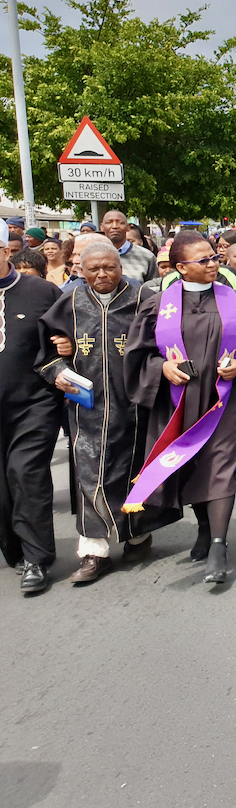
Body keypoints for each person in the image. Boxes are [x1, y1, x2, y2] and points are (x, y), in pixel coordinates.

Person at [123, 231, 236, 584]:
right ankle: (204, 529)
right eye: (203, 260)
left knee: (220, 465)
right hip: (179, 400)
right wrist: (163, 368)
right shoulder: (158, 305)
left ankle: (219, 544)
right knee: (190, 467)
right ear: (180, 268)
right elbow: (138, 356)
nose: (213, 264)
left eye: (214, 258)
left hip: (226, 398)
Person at [36, 244, 166, 584]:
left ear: (121, 267)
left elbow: (165, 344)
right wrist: (59, 368)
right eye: (93, 269)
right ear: (81, 270)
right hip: (88, 410)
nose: (102, 275)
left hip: (136, 407)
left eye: (109, 267)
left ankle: (137, 534)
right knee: (90, 474)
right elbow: (46, 352)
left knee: (134, 470)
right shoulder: (70, 302)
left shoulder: (143, 300)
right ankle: (94, 552)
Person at [0, 241, 63, 595]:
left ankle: (37, 558)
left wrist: (64, 352)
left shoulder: (41, 291)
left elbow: (64, 339)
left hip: (33, 404)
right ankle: (16, 551)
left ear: (6, 252)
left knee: (26, 474)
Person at [100, 209, 158, 283]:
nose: (114, 226)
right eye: (109, 222)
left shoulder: (147, 256)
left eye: (120, 223)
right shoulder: (92, 255)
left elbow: (154, 286)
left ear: (128, 227)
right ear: (101, 227)